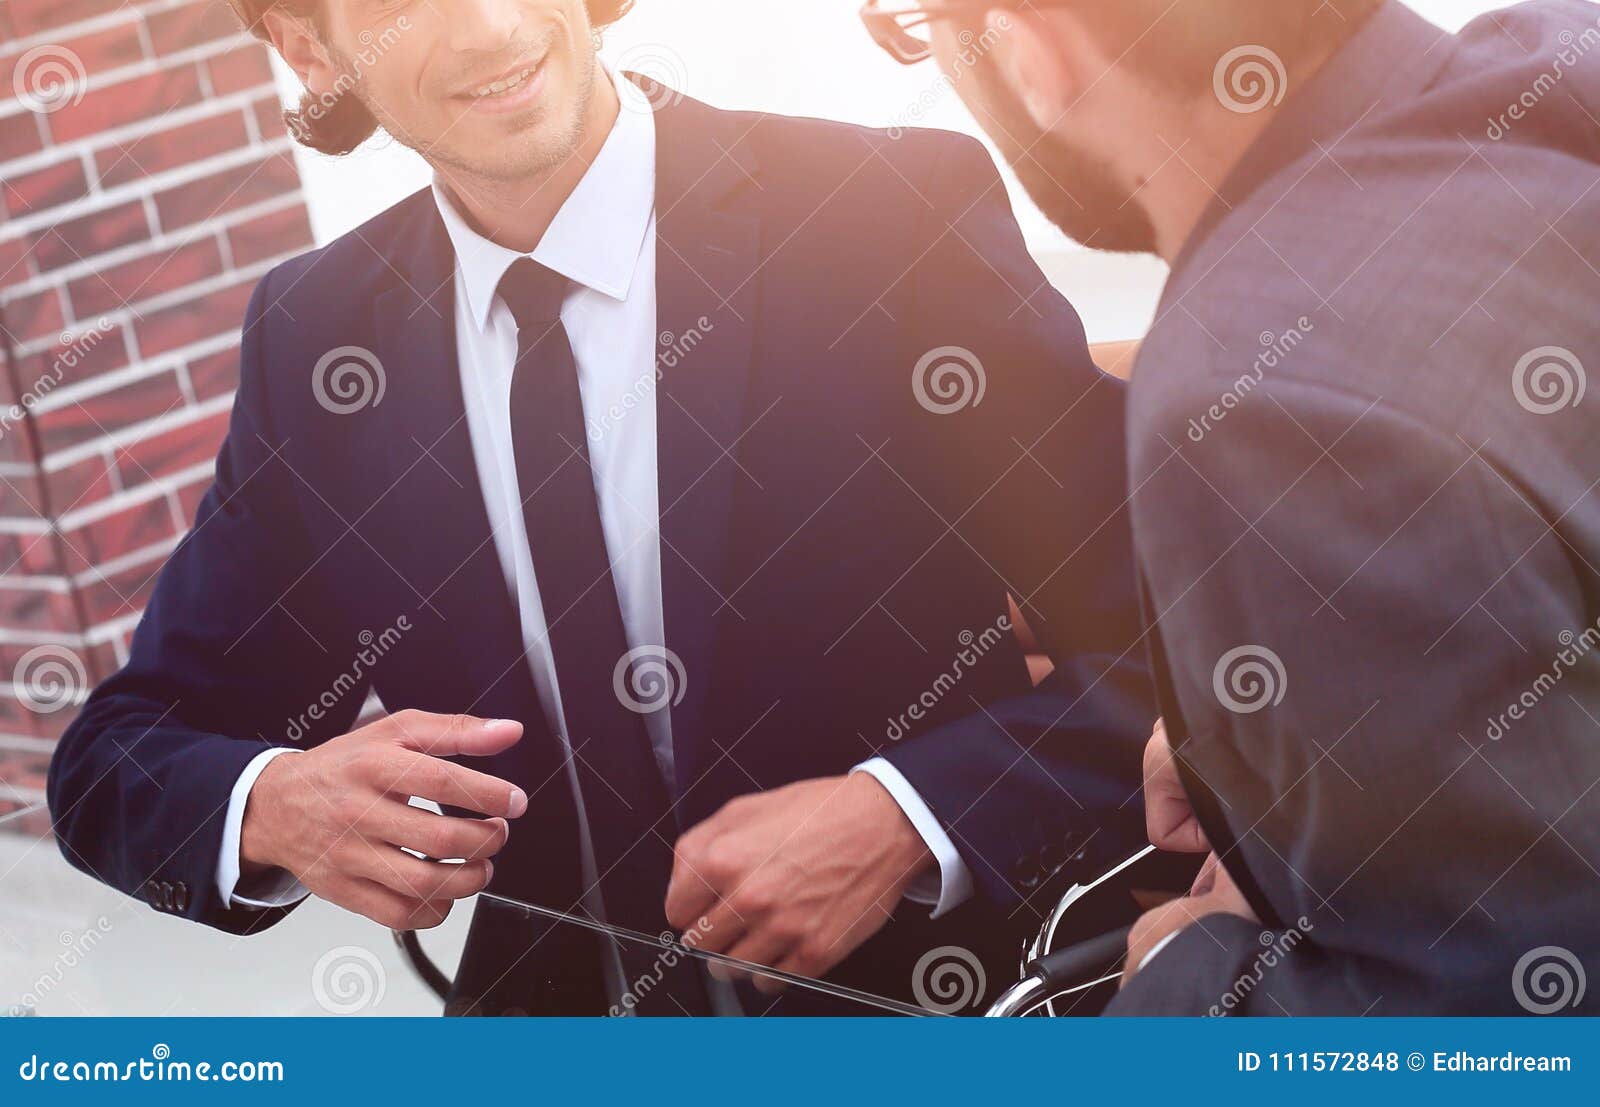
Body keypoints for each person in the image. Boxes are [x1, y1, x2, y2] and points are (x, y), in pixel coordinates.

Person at [48, 0, 1156, 1016]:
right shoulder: (316, 333)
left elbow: (1184, 635)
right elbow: (118, 756)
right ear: (304, 44)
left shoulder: (889, 216)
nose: (487, 29)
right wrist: (273, 802)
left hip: (936, 1005)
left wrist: (912, 814)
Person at [875, 0, 1600, 1013]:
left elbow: (1504, 1028)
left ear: (1030, 45)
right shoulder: (1556, 73)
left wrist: (1189, 983)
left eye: (914, 23)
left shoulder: (1259, 400)